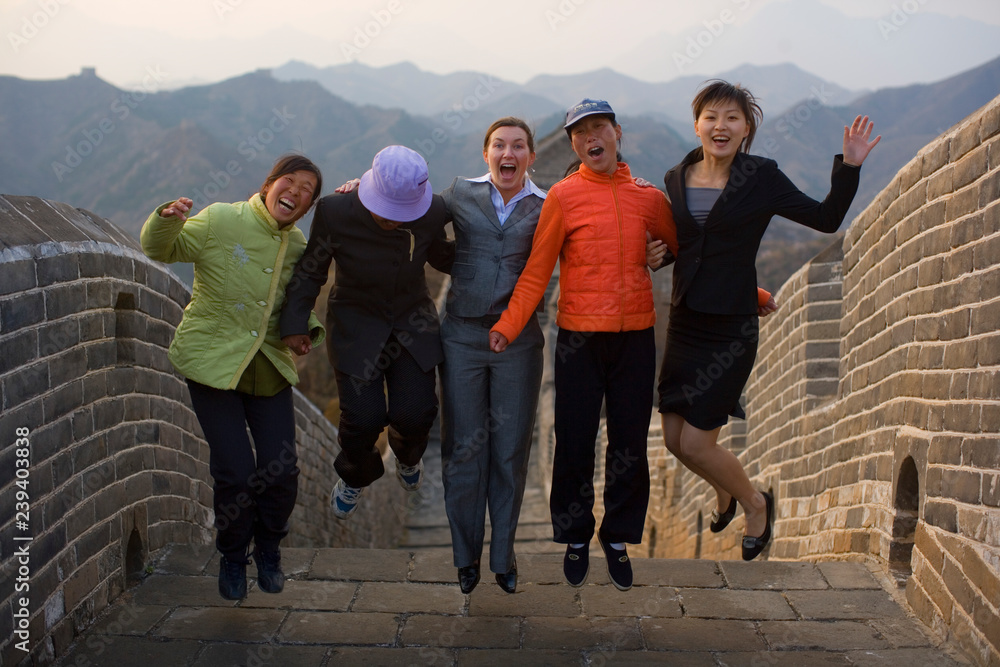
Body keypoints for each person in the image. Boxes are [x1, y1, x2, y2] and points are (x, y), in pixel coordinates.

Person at [655, 80, 880, 561]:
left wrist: (851, 167)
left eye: (732, 118)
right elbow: (685, 246)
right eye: (712, 117)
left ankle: (755, 504)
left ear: (746, 129)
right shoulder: (677, 176)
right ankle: (724, 491)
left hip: (729, 328)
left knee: (697, 441)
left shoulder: (760, 177)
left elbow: (825, 218)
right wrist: (657, 255)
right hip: (684, 319)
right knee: (674, 439)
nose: (721, 126)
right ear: (697, 124)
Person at [489, 99, 682, 592]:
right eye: (581, 133)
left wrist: (752, 293)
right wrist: (508, 326)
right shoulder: (563, 197)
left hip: (636, 336)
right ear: (574, 144)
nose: (591, 138)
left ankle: (616, 539)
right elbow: (537, 271)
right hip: (577, 336)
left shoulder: (649, 198)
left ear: (618, 132)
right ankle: (576, 537)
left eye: (600, 128)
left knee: (629, 443)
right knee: (574, 441)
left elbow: (690, 255)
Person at [140, 154, 325, 600]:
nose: (297, 193)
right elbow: (161, 249)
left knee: (282, 471)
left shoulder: (299, 247)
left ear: (308, 208)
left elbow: (294, 305)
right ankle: (231, 555)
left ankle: (268, 549)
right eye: (290, 182)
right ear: (269, 184)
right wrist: (167, 219)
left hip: (268, 369)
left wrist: (306, 334)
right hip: (213, 363)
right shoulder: (223, 220)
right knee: (236, 472)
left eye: (308, 192)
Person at [280, 145, 453, 521]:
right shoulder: (335, 211)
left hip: (411, 321)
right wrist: (294, 324)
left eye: (399, 213)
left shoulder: (432, 210)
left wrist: (492, 247)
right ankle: (356, 476)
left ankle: (407, 458)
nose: (391, 220)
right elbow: (312, 271)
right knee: (362, 419)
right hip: (357, 324)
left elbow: (442, 256)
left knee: (417, 413)